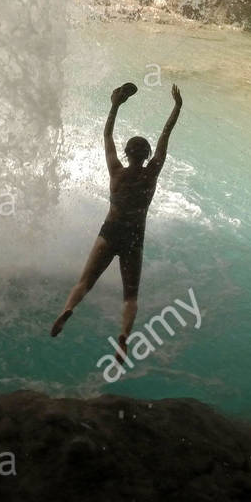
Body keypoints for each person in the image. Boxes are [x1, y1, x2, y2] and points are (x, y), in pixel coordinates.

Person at [50, 81, 182, 360]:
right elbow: (165, 136)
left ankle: (67, 310)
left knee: (85, 282)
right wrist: (177, 107)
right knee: (130, 296)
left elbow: (107, 136)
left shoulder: (116, 171)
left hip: (110, 231)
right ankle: (123, 336)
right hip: (134, 237)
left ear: (126, 154)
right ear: (147, 156)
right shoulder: (152, 173)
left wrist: (114, 107)